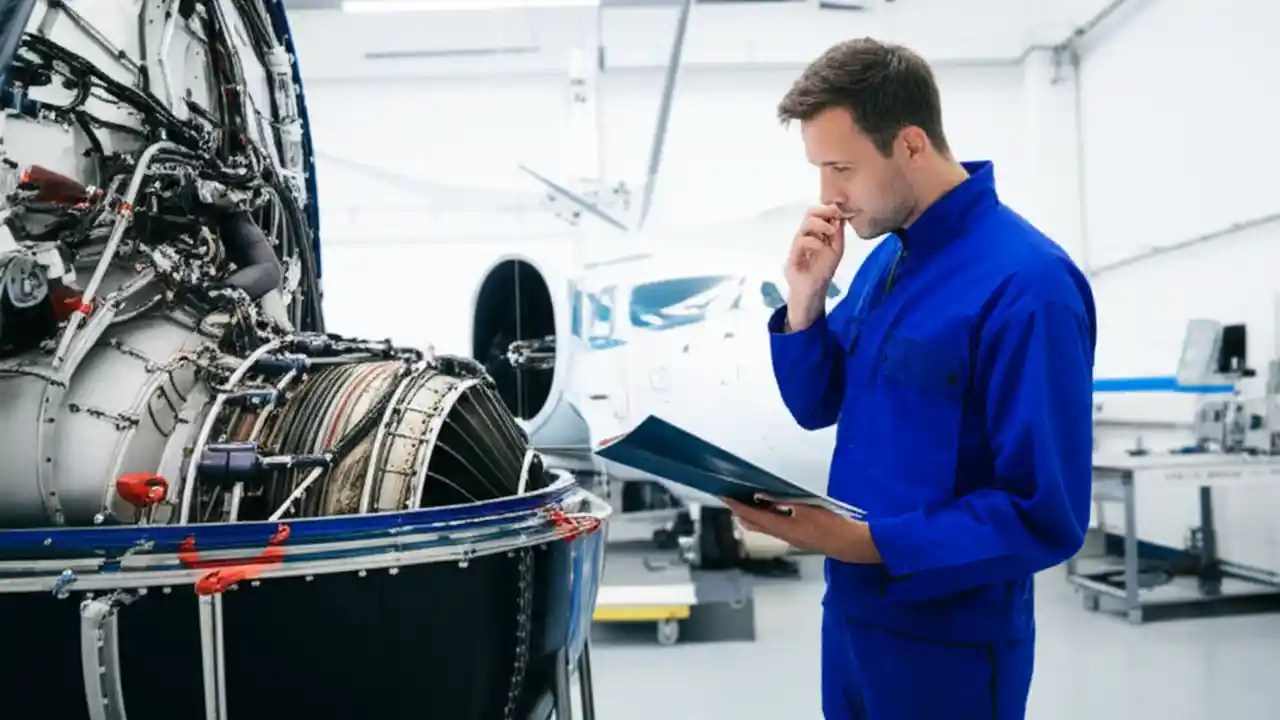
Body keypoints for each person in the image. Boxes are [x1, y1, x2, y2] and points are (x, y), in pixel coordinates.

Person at [721, 38, 1096, 720]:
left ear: (912, 145)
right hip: (855, 619)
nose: (828, 197)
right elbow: (819, 402)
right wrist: (806, 298)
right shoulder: (885, 261)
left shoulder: (1029, 285)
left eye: (842, 168)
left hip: (951, 642)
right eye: (819, 170)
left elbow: (1047, 514)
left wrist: (863, 542)